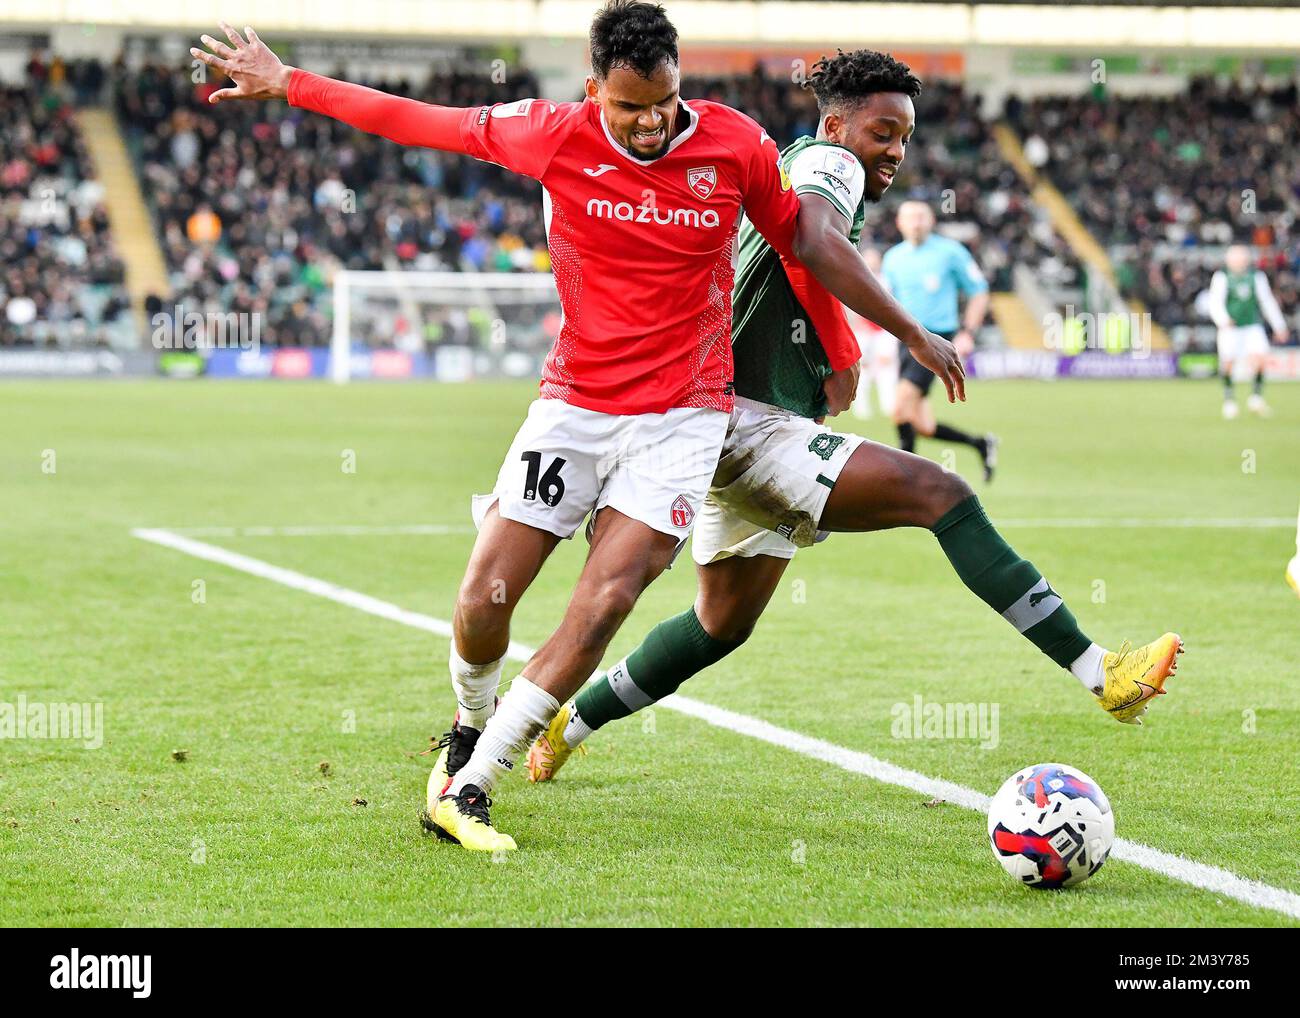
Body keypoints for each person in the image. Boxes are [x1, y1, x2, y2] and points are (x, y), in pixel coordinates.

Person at [191, 5, 963, 853]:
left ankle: (471, 786)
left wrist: (901, 333)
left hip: (685, 417)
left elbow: (807, 247)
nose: (647, 122)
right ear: (595, 90)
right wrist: (287, 82)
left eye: (662, 102)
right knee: (485, 600)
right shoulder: (549, 134)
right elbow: (416, 121)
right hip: (576, 408)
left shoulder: (734, 145)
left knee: (607, 601)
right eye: (628, 106)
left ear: (679, 85)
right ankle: (469, 722)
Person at [520, 50, 1183, 784]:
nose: (894, 151)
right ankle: (1102, 675)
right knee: (942, 495)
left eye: (904, 137)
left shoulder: (792, 167)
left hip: (718, 417)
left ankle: (565, 724)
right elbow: (813, 239)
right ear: (837, 123)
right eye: (883, 132)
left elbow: (800, 254)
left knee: (720, 624)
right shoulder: (828, 164)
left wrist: (832, 347)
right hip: (740, 417)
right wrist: (911, 333)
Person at [882, 201, 997, 481]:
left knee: (899, 407)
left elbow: (979, 291)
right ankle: (981, 444)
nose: (916, 222)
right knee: (923, 425)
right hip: (904, 342)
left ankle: (905, 481)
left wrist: (967, 331)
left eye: (921, 216)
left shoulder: (950, 252)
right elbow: (888, 301)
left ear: (932, 220)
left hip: (935, 341)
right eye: (909, 217)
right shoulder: (893, 258)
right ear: (899, 223)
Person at [1207, 245, 1288, 419]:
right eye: (1235, 258)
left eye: (1242, 258)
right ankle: (1229, 401)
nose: (1239, 262)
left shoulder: (1256, 276)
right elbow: (1214, 302)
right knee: (1228, 364)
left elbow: (1267, 301)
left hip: (1252, 325)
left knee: (1260, 359)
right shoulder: (1222, 277)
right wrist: (1223, 319)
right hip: (1230, 328)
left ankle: (1256, 398)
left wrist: (1279, 326)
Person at [849, 248, 898, 419]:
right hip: (864, 331)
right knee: (864, 370)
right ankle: (862, 408)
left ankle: (889, 405)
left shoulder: (887, 279)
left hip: (884, 331)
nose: (872, 262)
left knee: (887, 368)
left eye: (875, 258)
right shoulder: (856, 278)